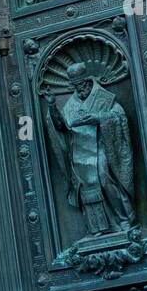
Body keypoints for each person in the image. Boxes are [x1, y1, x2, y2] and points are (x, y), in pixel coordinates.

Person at [45, 63, 135, 235]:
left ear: (87, 82)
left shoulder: (103, 98)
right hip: (80, 153)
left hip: (102, 147)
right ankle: (101, 227)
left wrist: (97, 118)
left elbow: (118, 117)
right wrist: (51, 106)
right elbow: (61, 126)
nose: (79, 91)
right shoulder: (72, 104)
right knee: (87, 186)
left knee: (104, 177)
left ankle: (125, 219)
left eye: (81, 86)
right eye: (76, 87)